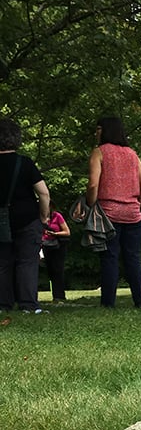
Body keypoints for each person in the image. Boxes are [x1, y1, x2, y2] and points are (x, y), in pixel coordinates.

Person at [87, 116, 141, 308]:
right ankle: (138, 300)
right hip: (132, 214)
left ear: (105, 131)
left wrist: (91, 205)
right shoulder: (132, 154)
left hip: (108, 214)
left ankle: (108, 302)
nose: (96, 133)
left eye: (98, 129)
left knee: (110, 257)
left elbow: (92, 184)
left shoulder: (99, 153)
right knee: (132, 257)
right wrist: (136, 204)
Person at [0, 118, 50, 313]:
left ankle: (3, 304)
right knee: (27, 261)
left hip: (1, 220)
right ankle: (28, 305)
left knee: (2, 262)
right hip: (27, 218)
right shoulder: (25, 163)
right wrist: (44, 216)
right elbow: (44, 193)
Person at [41, 203, 71, 303]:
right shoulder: (39, 217)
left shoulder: (57, 216)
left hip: (58, 245)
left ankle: (59, 296)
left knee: (58, 270)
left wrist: (55, 234)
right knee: (50, 270)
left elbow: (67, 232)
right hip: (44, 245)